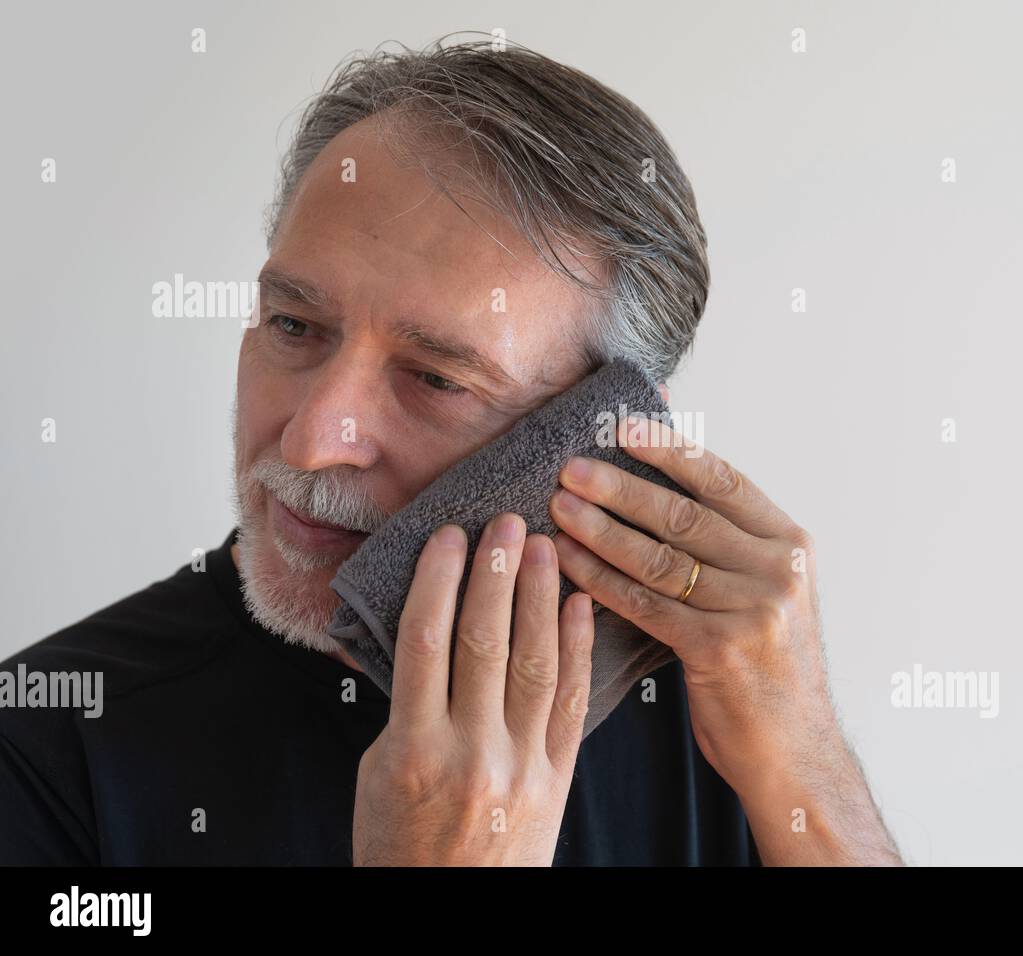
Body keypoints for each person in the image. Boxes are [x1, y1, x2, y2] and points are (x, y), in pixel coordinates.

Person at [0, 35, 901, 866]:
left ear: (611, 433)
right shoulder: (43, 751)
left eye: (436, 379)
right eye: (294, 324)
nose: (315, 442)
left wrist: (812, 775)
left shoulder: (709, 697)